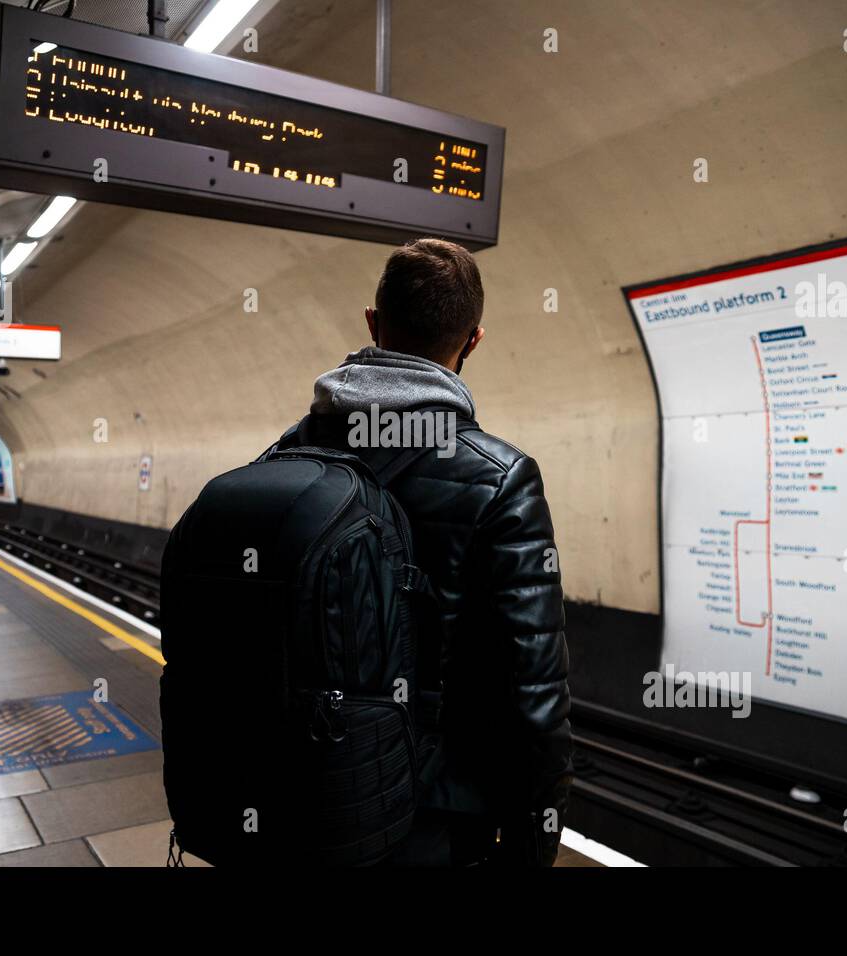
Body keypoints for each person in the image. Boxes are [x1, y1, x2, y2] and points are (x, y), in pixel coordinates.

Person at [162, 238, 573, 866]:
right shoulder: (501, 478)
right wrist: (531, 845)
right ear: (473, 340)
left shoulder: (284, 455)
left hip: (285, 797)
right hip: (427, 821)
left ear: (374, 326)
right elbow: (532, 694)